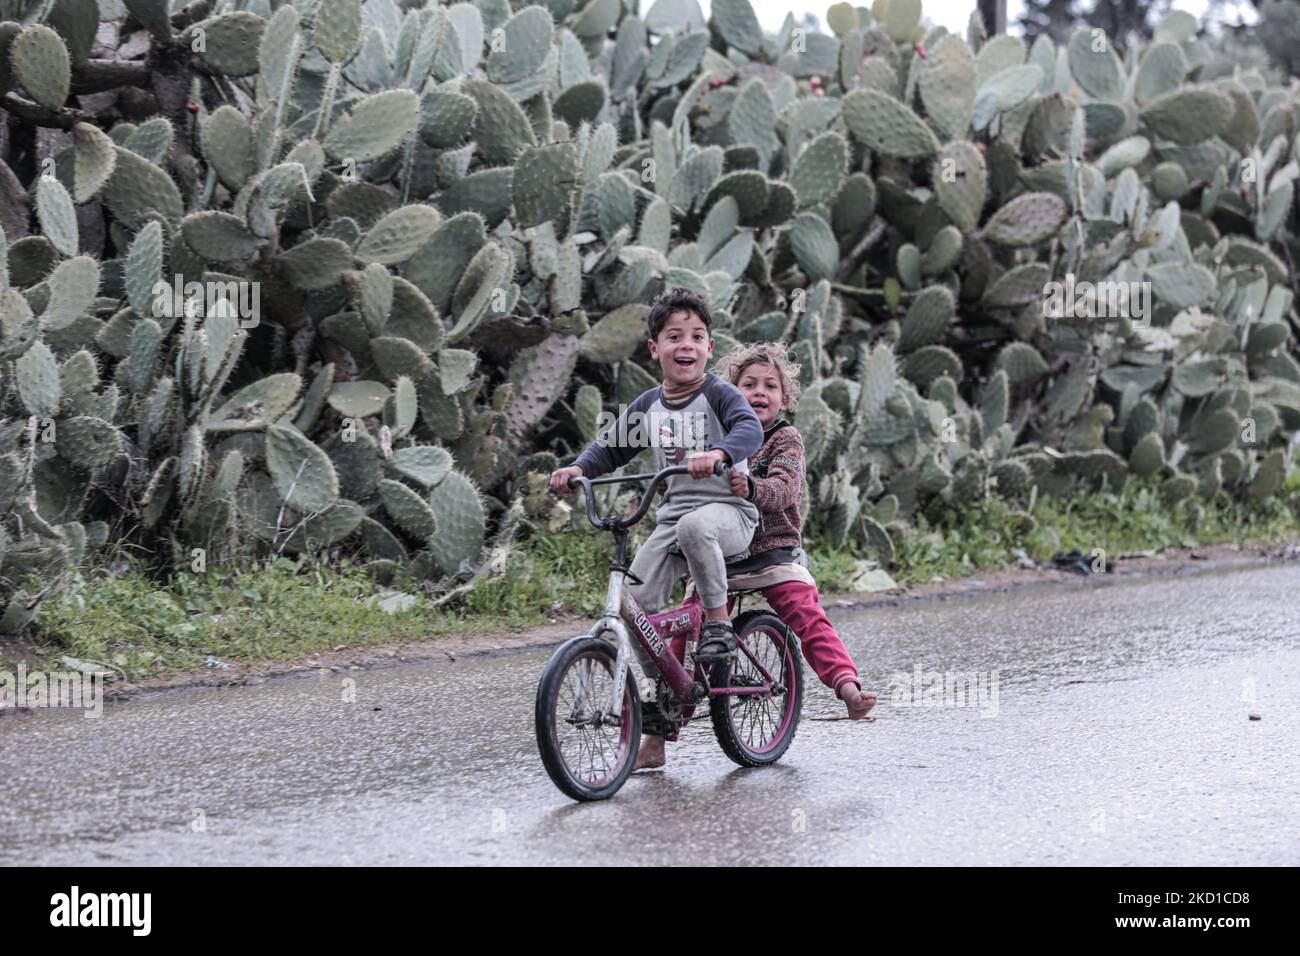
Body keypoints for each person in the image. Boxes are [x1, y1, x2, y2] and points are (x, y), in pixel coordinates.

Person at [631, 341, 876, 772]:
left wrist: (755, 490)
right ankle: (656, 739)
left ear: (785, 398)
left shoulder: (785, 438)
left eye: (770, 386)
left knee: (806, 614)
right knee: (685, 642)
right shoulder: (715, 436)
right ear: (730, 393)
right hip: (719, 562)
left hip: (771, 552)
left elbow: (787, 489)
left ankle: (847, 686)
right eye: (747, 385)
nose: (758, 393)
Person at [548, 287, 764, 664]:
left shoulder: (720, 394)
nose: (687, 346)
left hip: (730, 513)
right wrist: (578, 469)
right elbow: (610, 447)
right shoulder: (649, 405)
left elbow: (749, 429)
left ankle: (718, 624)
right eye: (675, 337)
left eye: (697, 337)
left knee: (695, 527)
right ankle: (658, 689)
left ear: (709, 348)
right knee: (635, 603)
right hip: (673, 517)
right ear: (654, 348)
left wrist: (719, 452)